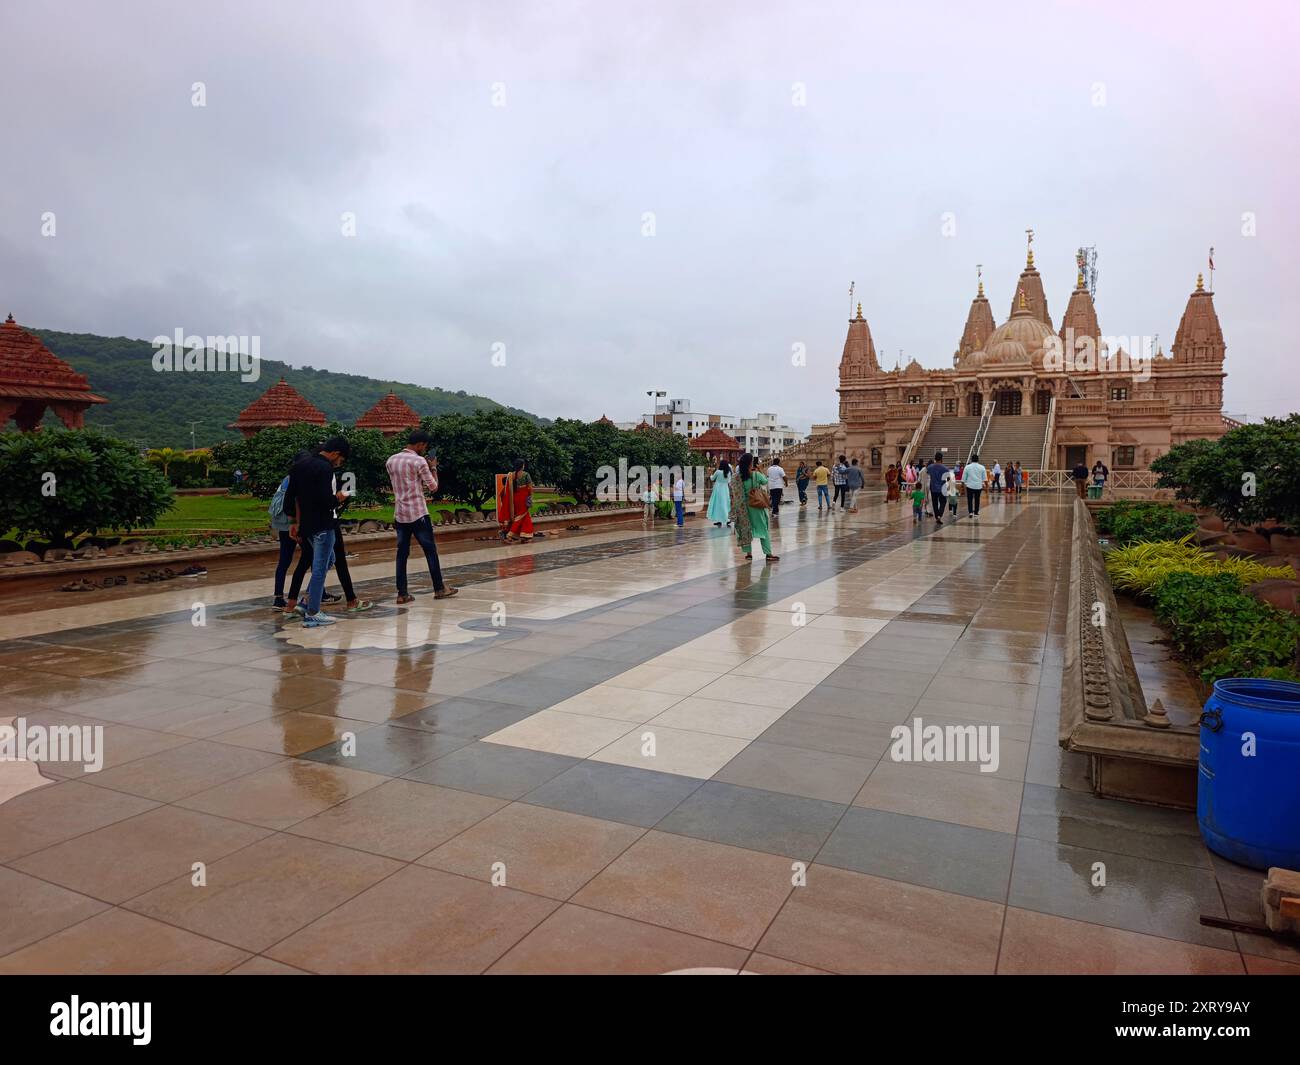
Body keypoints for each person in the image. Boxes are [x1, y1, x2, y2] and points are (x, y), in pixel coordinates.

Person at [386, 428, 458, 605]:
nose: (424, 450)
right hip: (418, 513)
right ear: (420, 444)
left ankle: (402, 593)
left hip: (400, 513)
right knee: (430, 551)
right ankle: (439, 588)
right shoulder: (419, 462)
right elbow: (433, 487)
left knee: (402, 554)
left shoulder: (391, 460)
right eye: (424, 446)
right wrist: (433, 467)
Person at [287, 437, 351, 627]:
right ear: (336, 453)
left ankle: (306, 601)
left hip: (306, 524)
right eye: (341, 460)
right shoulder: (325, 469)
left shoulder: (299, 466)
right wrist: (341, 496)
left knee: (328, 560)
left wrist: (293, 521)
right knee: (321, 566)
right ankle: (313, 612)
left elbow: (290, 497)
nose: (339, 464)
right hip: (323, 524)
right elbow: (326, 501)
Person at [731, 452, 778, 561]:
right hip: (755, 506)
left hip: (743, 507)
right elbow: (765, 481)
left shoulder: (736, 477)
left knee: (745, 529)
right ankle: (768, 553)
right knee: (763, 529)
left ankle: (748, 553)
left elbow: (733, 490)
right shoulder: (756, 475)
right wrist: (760, 469)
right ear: (750, 463)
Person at [498, 459, 534, 542]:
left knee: (524, 516)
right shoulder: (526, 474)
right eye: (523, 464)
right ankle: (510, 534)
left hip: (514, 498)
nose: (524, 466)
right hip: (523, 498)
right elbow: (530, 487)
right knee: (520, 517)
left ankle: (525, 535)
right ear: (522, 465)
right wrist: (531, 497)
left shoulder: (511, 475)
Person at [927, 451, 949, 526]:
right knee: (943, 502)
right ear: (941, 459)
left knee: (935, 503)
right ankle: (940, 514)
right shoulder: (945, 468)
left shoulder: (930, 467)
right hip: (942, 488)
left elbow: (928, 473)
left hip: (933, 487)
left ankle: (937, 516)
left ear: (935, 458)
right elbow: (948, 478)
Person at [707, 460, 732, 526]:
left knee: (718, 504)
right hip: (725, 489)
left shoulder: (718, 472)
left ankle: (719, 519)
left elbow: (712, 479)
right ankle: (727, 518)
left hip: (718, 489)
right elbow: (729, 481)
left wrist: (710, 474)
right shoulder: (728, 473)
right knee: (725, 504)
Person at [963, 452, 987, 518]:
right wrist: (986, 487)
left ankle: (970, 512)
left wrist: (964, 488)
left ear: (971, 460)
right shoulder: (982, 467)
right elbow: (985, 479)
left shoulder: (967, 467)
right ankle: (976, 513)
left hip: (969, 486)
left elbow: (963, 479)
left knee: (970, 499)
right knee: (977, 499)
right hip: (978, 486)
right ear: (978, 460)